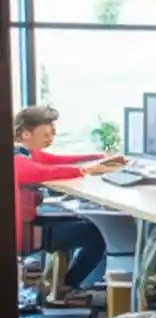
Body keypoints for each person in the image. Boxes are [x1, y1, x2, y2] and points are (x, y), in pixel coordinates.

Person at [12, 106, 119, 292]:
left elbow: (56, 160)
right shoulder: (16, 161)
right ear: (26, 134)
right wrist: (85, 170)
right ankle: (67, 288)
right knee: (96, 235)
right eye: (45, 135)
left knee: (84, 224)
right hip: (23, 234)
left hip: (27, 223)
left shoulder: (23, 153)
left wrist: (99, 157)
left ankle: (58, 288)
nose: (50, 140)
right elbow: (47, 171)